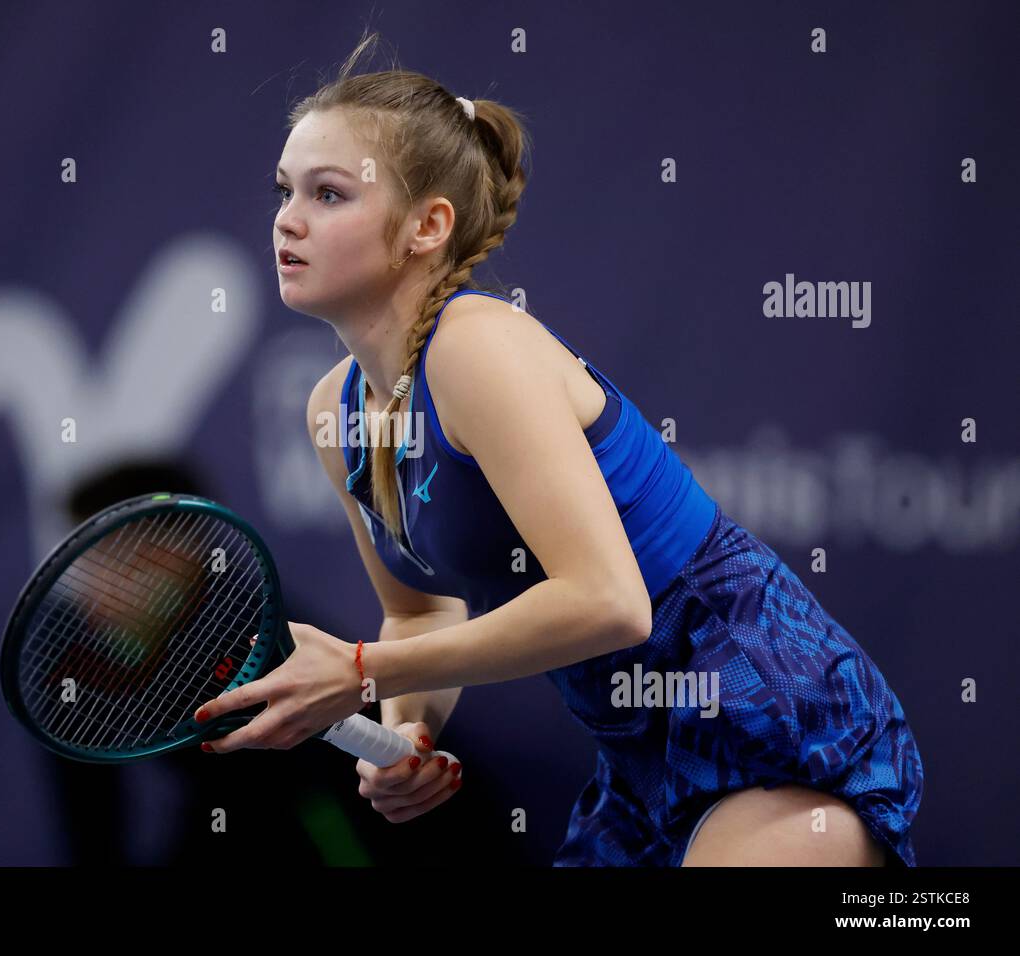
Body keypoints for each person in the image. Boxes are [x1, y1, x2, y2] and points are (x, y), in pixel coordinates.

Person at [195, 31, 923, 866]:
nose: (287, 219)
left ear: (427, 227)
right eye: (284, 190)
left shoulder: (478, 347)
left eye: (329, 195)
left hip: (771, 706)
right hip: (636, 761)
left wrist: (362, 671)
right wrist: (404, 732)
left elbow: (611, 600)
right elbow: (418, 611)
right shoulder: (336, 411)